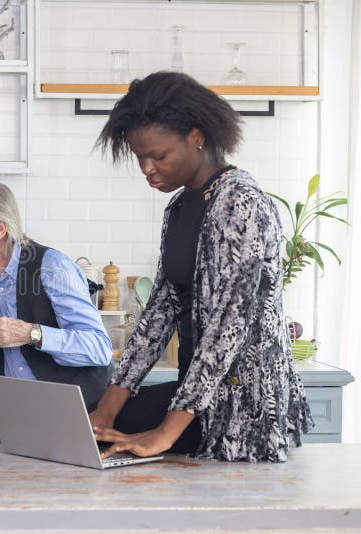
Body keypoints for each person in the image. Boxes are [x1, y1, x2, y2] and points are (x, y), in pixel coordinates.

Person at [90, 71, 314, 462]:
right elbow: (158, 313)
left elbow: (228, 328)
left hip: (246, 405)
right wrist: (105, 410)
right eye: (139, 156)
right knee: (95, 437)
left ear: (197, 137)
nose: (146, 167)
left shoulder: (240, 203)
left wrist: (165, 432)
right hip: (195, 397)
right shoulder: (179, 207)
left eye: (158, 156)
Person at [0, 181, 113, 444]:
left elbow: (100, 349)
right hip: (13, 410)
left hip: (72, 406)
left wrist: (32, 333)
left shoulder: (52, 267)